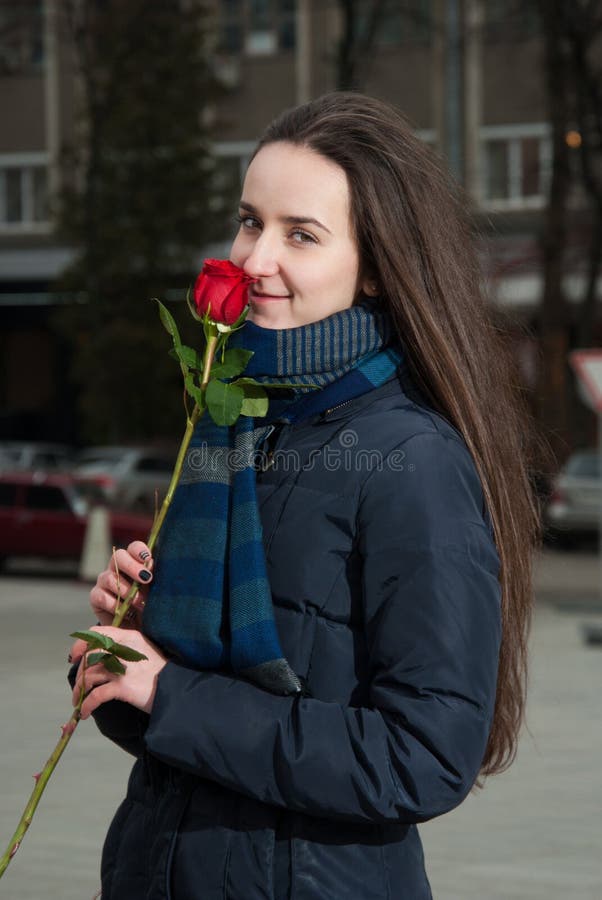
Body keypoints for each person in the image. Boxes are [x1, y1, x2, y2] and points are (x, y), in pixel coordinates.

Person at [69, 92, 539, 899]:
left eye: (302, 234)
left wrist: (174, 693)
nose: (255, 259)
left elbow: (424, 758)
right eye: (250, 220)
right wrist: (133, 648)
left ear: (378, 271)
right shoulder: (228, 424)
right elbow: (187, 728)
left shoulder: (412, 459)